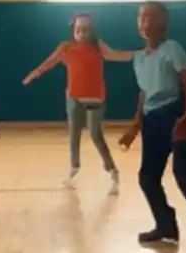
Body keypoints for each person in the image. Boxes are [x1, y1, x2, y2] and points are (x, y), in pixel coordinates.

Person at [119, 2, 186, 252]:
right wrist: (136, 124)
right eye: (141, 17)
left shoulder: (172, 48)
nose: (143, 22)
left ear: (161, 23)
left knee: (184, 176)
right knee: (148, 178)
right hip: (152, 120)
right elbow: (144, 92)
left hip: (175, 115)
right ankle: (166, 226)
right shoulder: (141, 58)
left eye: (149, 17)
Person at [23, 13, 132, 194]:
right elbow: (50, 62)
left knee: (96, 135)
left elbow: (115, 55)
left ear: (92, 31)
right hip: (74, 99)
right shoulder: (66, 47)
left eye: (86, 30)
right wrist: (34, 74)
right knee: (74, 134)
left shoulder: (98, 46)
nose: (82, 33)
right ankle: (74, 167)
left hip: (95, 99)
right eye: (79, 29)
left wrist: (137, 54)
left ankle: (112, 170)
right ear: (73, 30)